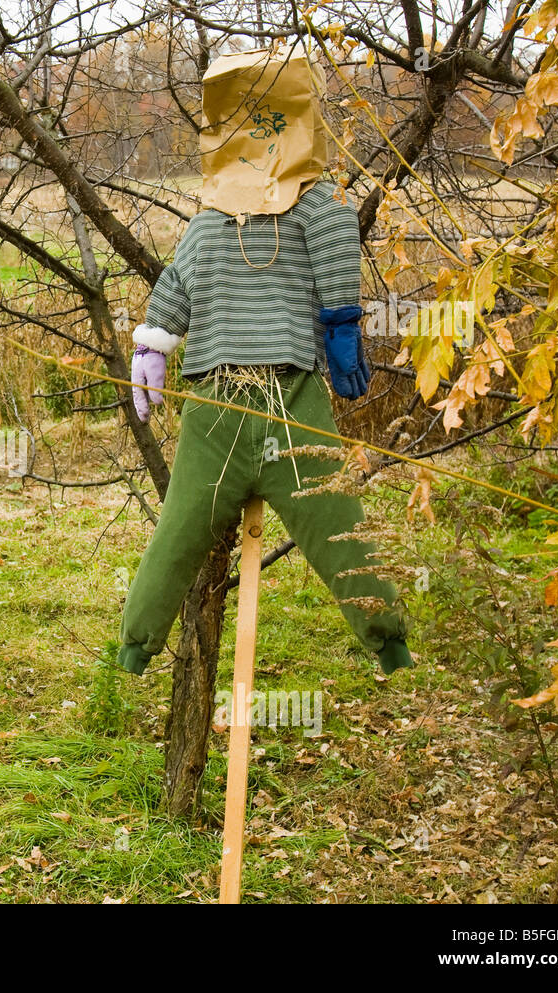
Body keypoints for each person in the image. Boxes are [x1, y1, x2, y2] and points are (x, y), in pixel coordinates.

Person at [117, 49, 411, 678]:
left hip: (291, 399)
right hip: (219, 407)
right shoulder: (211, 224)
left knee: (336, 523)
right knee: (183, 525)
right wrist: (151, 346)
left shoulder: (313, 208)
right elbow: (177, 285)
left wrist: (340, 325)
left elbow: (335, 259)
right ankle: (136, 643)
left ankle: (387, 636)